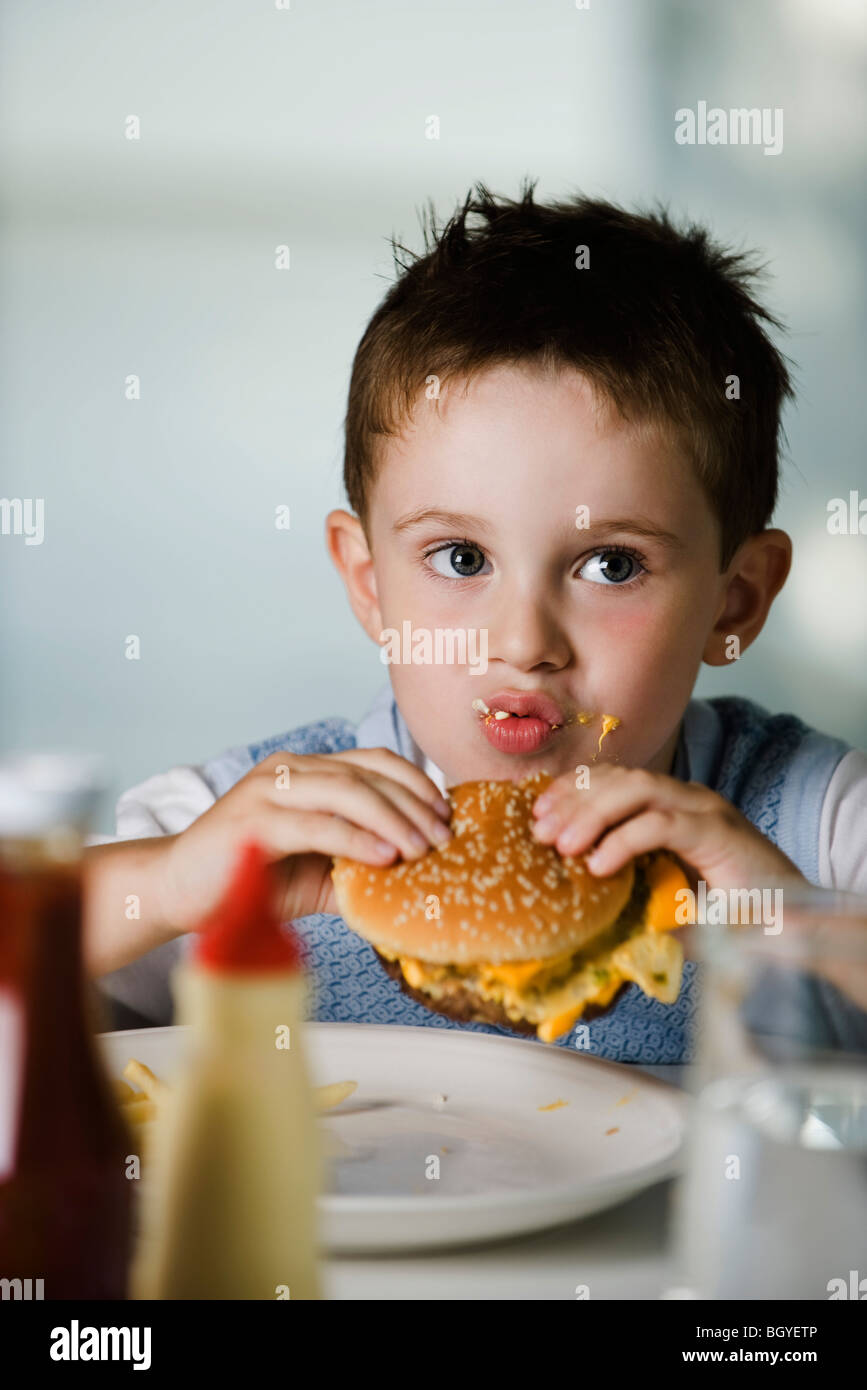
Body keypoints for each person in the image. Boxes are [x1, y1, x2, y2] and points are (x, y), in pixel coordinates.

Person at [84, 183, 867, 1062]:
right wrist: (162, 886)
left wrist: (789, 918)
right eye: (460, 559)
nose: (523, 643)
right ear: (370, 584)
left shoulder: (817, 822)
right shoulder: (255, 826)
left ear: (736, 603)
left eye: (612, 565)